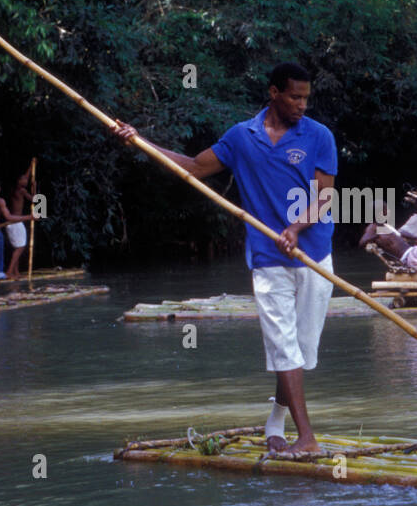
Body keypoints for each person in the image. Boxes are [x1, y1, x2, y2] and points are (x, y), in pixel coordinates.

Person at [113, 63, 335, 455]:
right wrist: (140, 143)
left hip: (314, 253)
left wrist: (296, 228)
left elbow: (325, 196)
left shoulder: (319, 136)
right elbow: (195, 168)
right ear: (273, 93)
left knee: (304, 350)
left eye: (306, 97)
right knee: (284, 347)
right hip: (268, 257)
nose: (302, 104)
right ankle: (307, 437)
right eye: (294, 97)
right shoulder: (241, 137)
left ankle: (275, 421)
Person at [5, 160, 36, 278]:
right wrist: (35, 187)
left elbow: (26, 176)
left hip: (12, 223)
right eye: (23, 179)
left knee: (17, 247)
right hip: (16, 223)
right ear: (18, 181)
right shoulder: (22, 190)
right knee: (20, 248)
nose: (26, 181)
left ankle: (15, 272)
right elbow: (34, 199)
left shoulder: (15, 189)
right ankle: (9, 272)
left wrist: (31, 165)